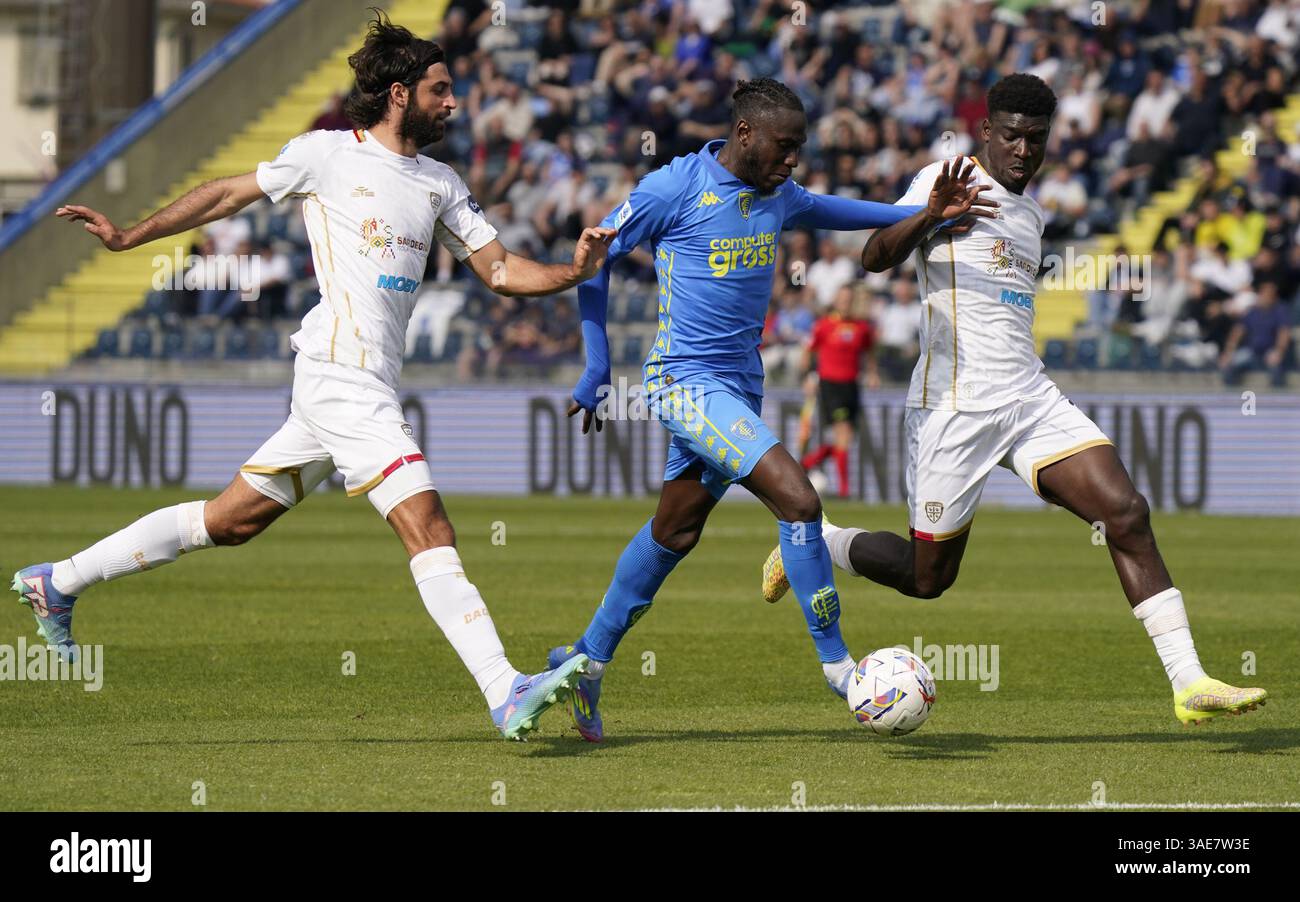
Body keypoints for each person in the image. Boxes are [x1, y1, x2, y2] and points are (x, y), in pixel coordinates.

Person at [20, 13, 616, 741]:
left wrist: (571, 272)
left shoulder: (440, 183)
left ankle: (58, 581)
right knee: (428, 524)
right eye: (440, 90)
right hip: (341, 375)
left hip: (352, 386)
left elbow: (498, 270)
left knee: (229, 522)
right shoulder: (327, 154)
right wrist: (128, 237)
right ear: (399, 94)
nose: (453, 103)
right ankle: (506, 689)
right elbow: (224, 194)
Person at [761, 74, 1266, 727]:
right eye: (1012, 136)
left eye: (1036, 138)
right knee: (926, 578)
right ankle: (819, 542)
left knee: (1126, 512)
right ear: (985, 133)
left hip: (1028, 398)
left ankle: (1189, 681)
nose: (1024, 150)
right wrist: (930, 215)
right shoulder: (946, 179)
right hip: (954, 407)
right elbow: (874, 256)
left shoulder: (1031, 214)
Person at [549, 77, 996, 742]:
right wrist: (595, 364)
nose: (793, 160)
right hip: (684, 383)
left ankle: (586, 661)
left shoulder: (778, 194)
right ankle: (839, 668)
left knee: (675, 531)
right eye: (784, 147)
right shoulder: (673, 188)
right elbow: (594, 258)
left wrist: (924, 213)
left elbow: (841, 211)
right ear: (745, 134)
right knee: (799, 501)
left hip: (739, 387)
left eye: (800, 149)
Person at [800, 286, 878, 499]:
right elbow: (808, 351)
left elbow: (869, 351)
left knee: (846, 438)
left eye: (849, 299)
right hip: (831, 385)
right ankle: (844, 490)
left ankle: (807, 462)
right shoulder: (824, 325)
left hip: (852, 386)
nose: (846, 303)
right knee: (843, 433)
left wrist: (873, 373)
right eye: (842, 299)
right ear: (835, 301)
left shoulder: (861, 327)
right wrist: (808, 376)